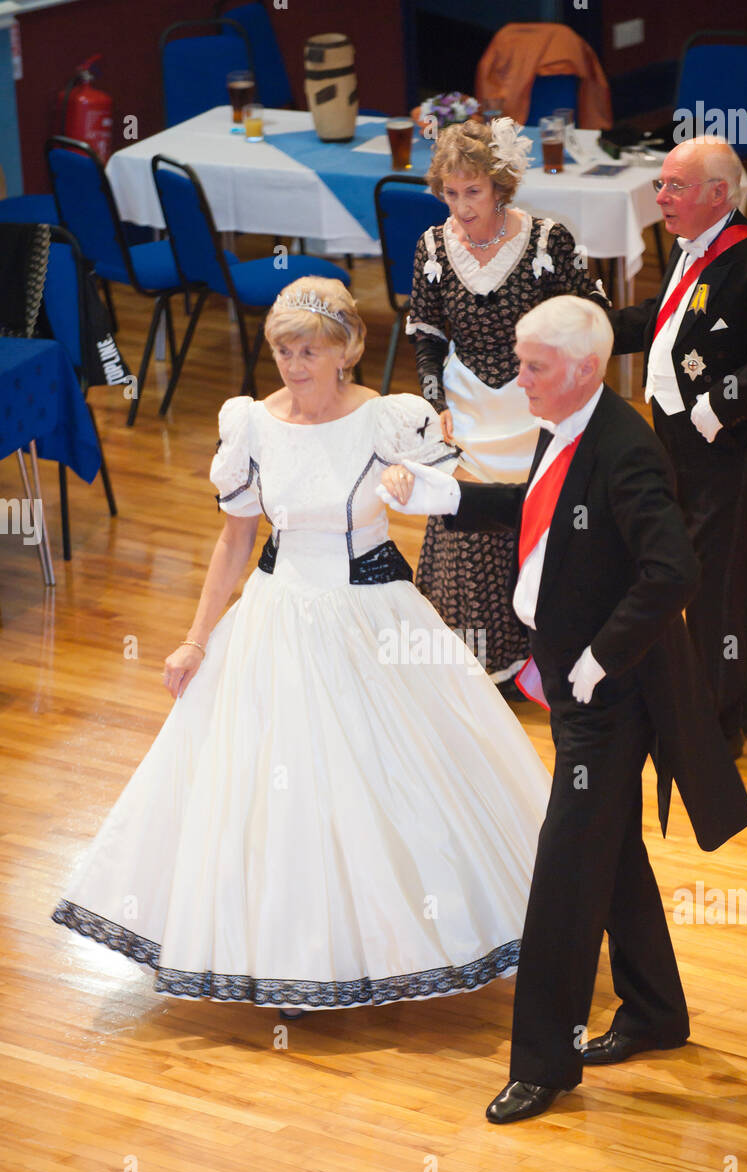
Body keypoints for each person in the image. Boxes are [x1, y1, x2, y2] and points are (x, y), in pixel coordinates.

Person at [51, 277, 551, 1014]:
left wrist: (435, 483)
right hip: (276, 616)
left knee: (395, 782)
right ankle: (292, 964)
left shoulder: (389, 421)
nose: (293, 365)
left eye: (308, 350)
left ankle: (395, 944)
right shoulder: (251, 424)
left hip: (373, 615)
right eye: (283, 350)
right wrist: (194, 641)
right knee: (274, 790)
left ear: (346, 350)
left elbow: (456, 499)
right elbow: (234, 541)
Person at [379, 295, 747, 1123]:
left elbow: (674, 572)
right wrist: (453, 500)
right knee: (610, 849)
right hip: (583, 685)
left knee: (562, 874)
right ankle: (655, 1010)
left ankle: (544, 1061)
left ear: (583, 368)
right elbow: (545, 511)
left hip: (610, 696)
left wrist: (596, 658)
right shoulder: (567, 422)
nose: (519, 379)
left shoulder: (627, 451)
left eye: (532, 366)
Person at [610, 136, 747, 754]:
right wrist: (596, 325)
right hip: (682, 445)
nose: (662, 197)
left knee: (706, 585)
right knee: (718, 583)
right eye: (660, 185)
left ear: (717, 195)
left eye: (674, 186)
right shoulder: (692, 248)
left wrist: (721, 402)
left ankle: (713, 730)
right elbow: (665, 318)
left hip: (731, 450)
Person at [407, 116, 609, 697]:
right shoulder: (432, 248)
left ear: (500, 186)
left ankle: (547, 659)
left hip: (538, 410)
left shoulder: (549, 241)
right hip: (467, 409)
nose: (462, 206)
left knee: (547, 528)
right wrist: (433, 398)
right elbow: (426, 333)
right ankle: (480, 667)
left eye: (473, 191)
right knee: (465, 524)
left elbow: (590, 318)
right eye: (450, 192)